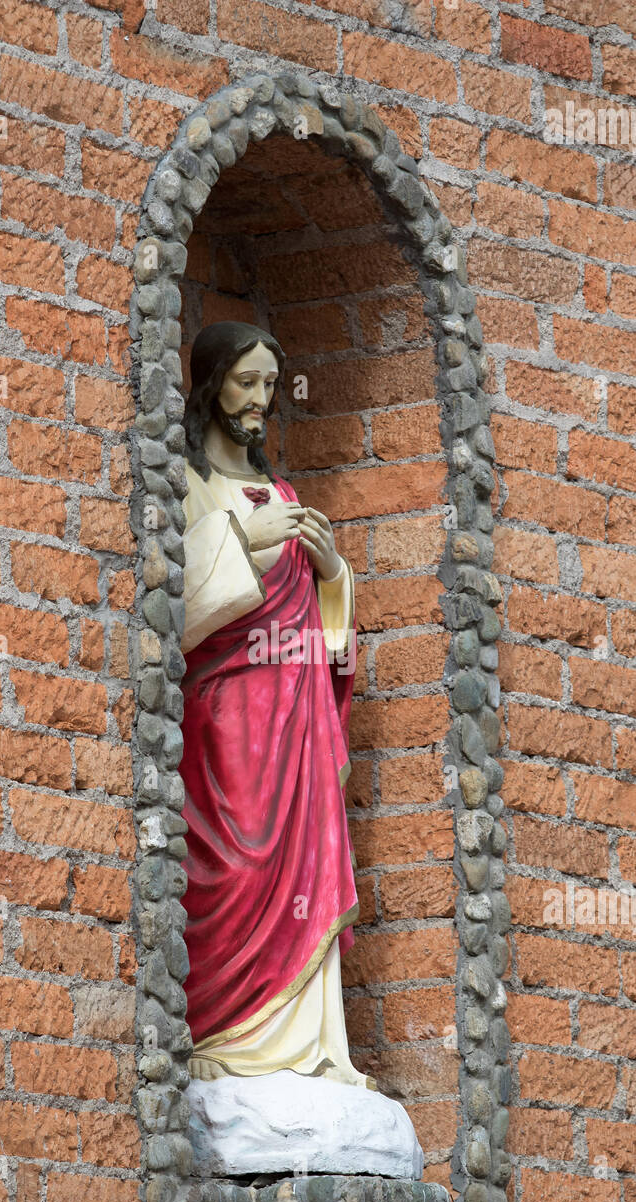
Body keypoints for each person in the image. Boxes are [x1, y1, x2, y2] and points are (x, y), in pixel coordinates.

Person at [178, 320, 374, 1090]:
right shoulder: (191, 485)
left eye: (269, 385)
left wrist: (330, 576)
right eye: (246, 383)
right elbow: (175, 611)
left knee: (307, 861)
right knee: (234, 866)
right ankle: (224, 1036)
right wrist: (245, 539)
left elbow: (334, 650)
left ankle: (313, 1051)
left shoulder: (288, 492)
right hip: (225, 723)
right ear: (211, 385)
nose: (260, 400)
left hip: (298, 724)